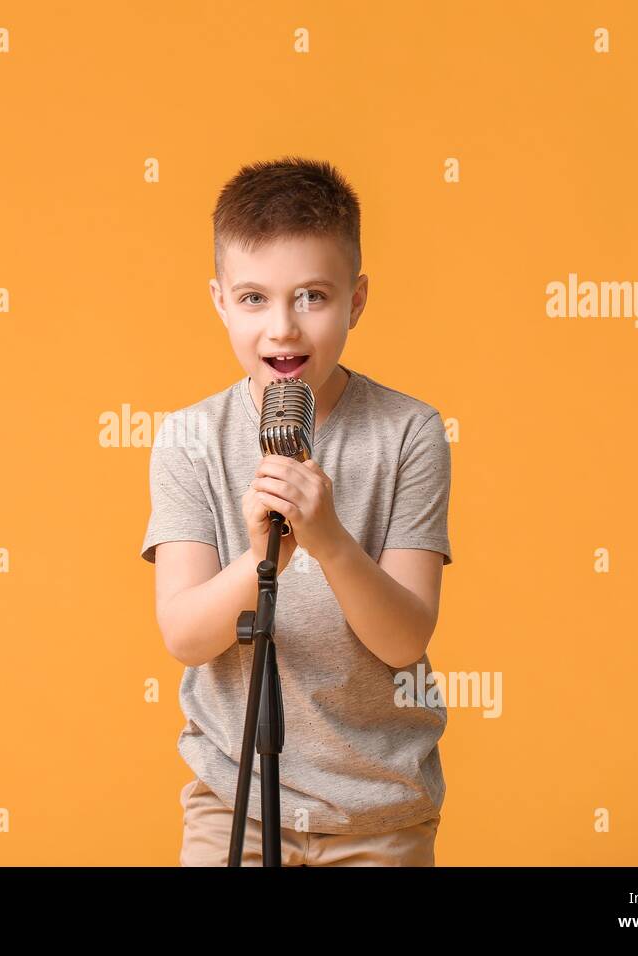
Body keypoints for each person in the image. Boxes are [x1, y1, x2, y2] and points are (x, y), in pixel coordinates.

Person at [140, 156, 454, 866]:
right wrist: (261, 559)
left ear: (357, 300)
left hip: (377, 808)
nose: (282, 328)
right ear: (220, 301)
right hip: (236, 799)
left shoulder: (409, 432)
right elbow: (185, 635)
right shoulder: (190, 438)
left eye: (312, 296)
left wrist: (331, 541)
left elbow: (404, 640)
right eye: (254, 298)